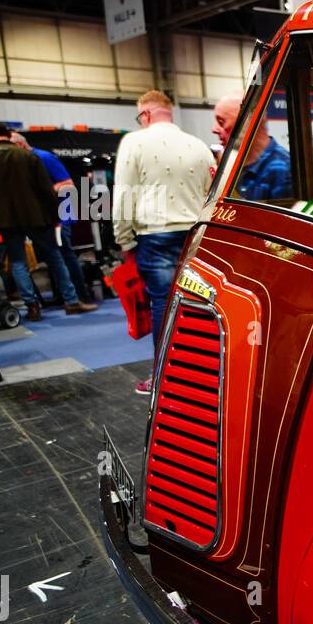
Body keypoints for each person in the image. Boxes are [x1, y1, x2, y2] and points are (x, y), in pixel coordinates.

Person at [112, 89, 215, 395]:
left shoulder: (134, 142)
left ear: (145, 115)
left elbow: (124, 194)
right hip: (197, 235)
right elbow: (214, 194)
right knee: (198, 304)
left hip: (155, 233)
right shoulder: (199, 146)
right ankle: (200, 373)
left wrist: (124, 239)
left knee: (164, 305)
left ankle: (163, 380)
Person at [0, 120, 97, 321]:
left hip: (5, 220)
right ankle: (71, 301)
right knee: (55, 257)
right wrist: (56, 216)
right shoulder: (28, 156)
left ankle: (32, 307)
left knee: (18, 261)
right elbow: (45, 190)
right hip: (36, 216)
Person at [11, 132, 90, 305]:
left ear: (20, 146)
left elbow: (68, 184)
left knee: (65, 254)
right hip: (47, 216)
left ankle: (81, 294)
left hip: (62, 214)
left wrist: (43, 190)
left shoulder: (44, 157)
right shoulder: (27, 161)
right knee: (55, 256)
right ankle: (66, 295)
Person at [212, 92, 291, 200]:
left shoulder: (282, 169)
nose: (214, 129)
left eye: (221, 122)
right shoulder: (236, 166)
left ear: (250, 121)